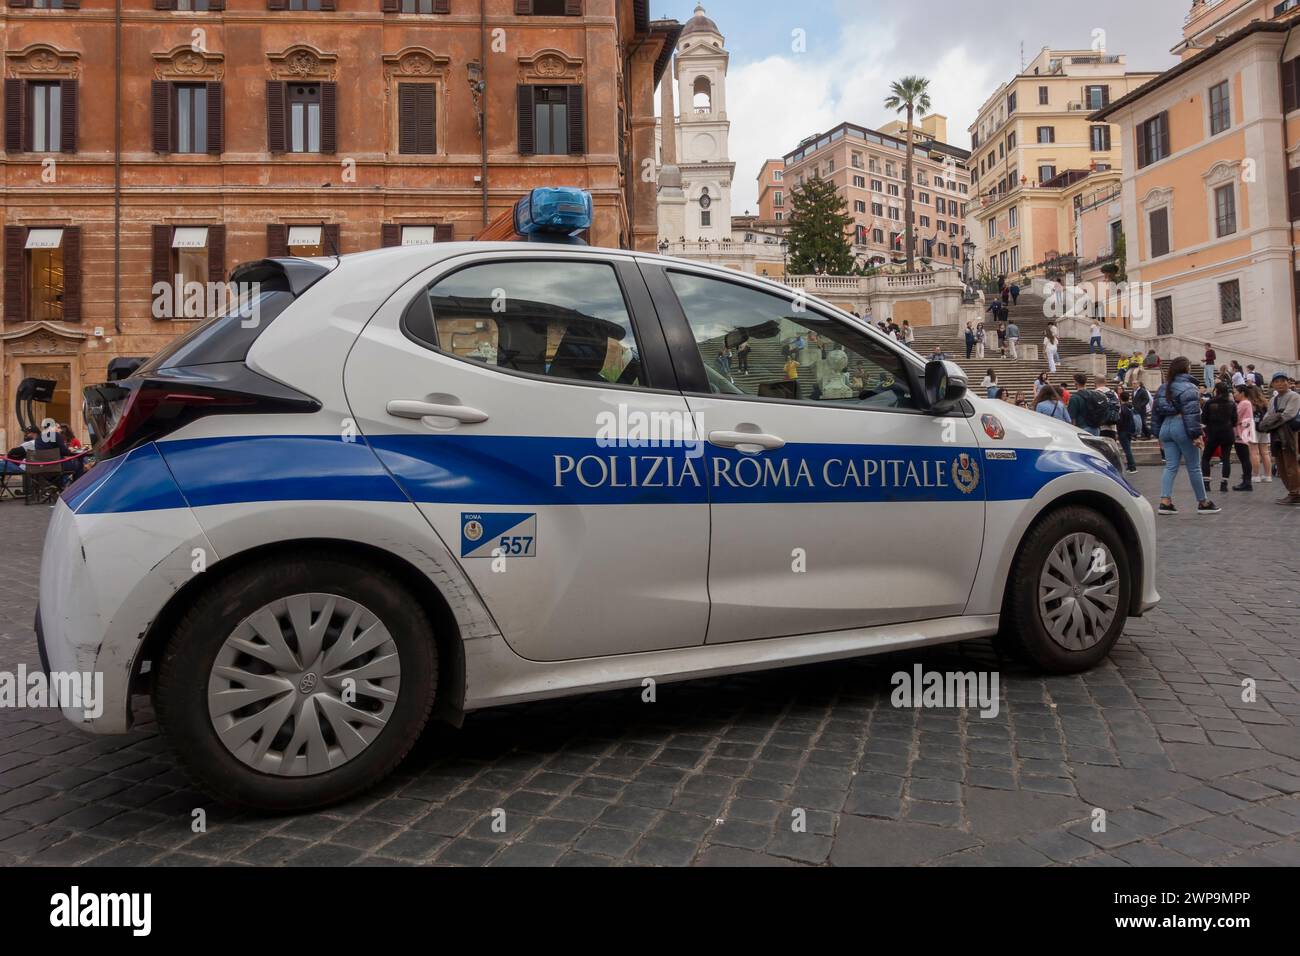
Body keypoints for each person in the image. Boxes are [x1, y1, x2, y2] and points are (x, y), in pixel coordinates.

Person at [1152, 356, 1220, 515]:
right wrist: (1196, 435)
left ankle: (1165, 501)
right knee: (1194, 467)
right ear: (1186, 369)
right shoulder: (1189, 387)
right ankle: (1203, 502)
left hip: (1166, 427)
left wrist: (1158, 434)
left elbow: (1156, 413)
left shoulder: (1163, 387)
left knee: (1170, 466)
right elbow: (1191, 413)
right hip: (1181, 425)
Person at [1257, 371, 1300, 505]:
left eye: (1283, 380)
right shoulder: (1273, 400)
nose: (1280, 383)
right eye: (1277, 381)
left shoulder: (1294, 396)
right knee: (1281, 465)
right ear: (1273, 384)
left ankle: (1296, 493)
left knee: (1290, 463)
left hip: (1290, 434)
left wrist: (1273, 419)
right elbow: (1267, 417)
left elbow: (1289, 414)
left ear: (1288, 382)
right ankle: (1292, 491)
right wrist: (1274, 418)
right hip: (1277, 434)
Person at [1200, 382, 1238, 495]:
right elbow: (1235, 420)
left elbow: (1204, 419)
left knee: (1206, 457)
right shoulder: (1231, 403)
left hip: (1213, 432)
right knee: (1226, 458)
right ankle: (1224, 484)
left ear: (1216, 390)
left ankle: (1206, 483)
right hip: (1227, 432)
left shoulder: (1209, 403)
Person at [1245, 384, 1273, 484]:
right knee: (1265, 452)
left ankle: (1256, 475)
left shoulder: (1249, 403)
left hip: (1252, 429)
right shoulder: (1265, 403)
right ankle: (1268, 475)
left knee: (1254, 452)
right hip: (1264, 429)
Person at [1232, 384, 1257, 492]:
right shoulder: (1245, 403)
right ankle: (1246, 481)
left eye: (1235, 392)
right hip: (1243, 432)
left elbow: (1235, 417)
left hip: (1242, 433)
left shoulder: (1244, 403)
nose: (1234, 394)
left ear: (1242, 393)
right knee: (1244, 458)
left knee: (1244, 458)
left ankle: (1247, 482)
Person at [1117, 389, 1140, 474]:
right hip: (1130, 430)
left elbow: (1120, 421)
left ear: (1120, 398)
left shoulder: (1121, 408)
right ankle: (1130, 466)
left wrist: (1117, 431)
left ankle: (1132, 467)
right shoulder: (1131, 407)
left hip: (1123, 431)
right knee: (1128, 448)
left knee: (1127, 450)